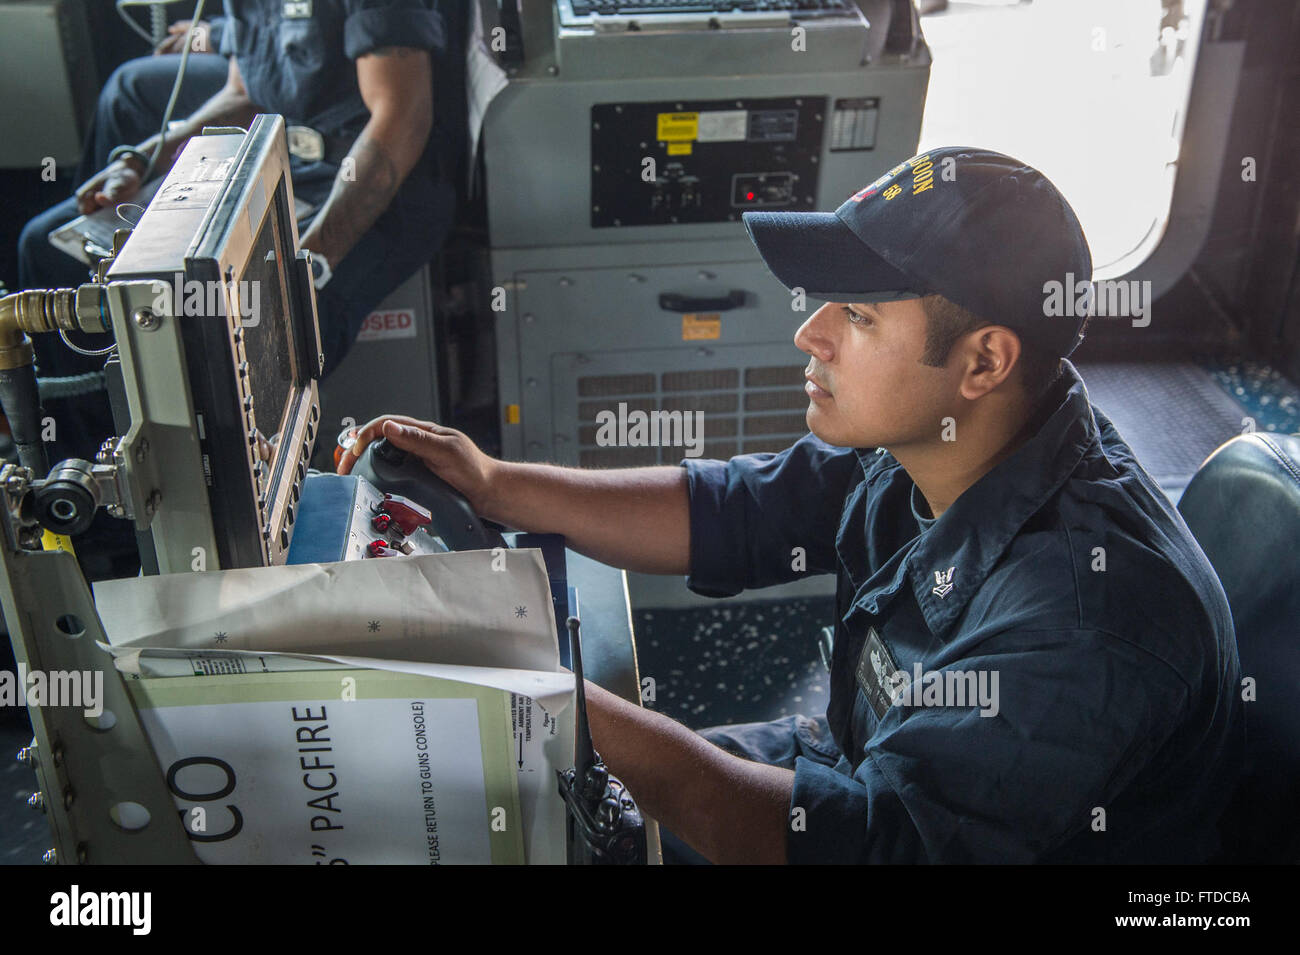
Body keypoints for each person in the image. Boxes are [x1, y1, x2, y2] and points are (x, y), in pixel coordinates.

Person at [338, 146, 1245, 864]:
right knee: (569, 810)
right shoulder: (947, 434)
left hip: (906, 836)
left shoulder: (1086, 619)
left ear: (983, 361)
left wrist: (538, 699)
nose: (808, 332)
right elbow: (743, 510)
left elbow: (866, 847)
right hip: (858, 759)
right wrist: (496, 483)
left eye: (858, 314)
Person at [18, 0, 462, 577]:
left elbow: (399, 119)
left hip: (371, 184)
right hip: (283, 159)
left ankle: (228, 559)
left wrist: (310, 263)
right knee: (45, 245)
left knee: (247, 335)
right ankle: (96, 512)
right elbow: (246, 90)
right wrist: (142, 160)